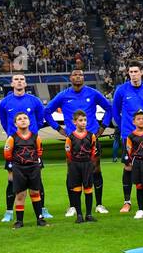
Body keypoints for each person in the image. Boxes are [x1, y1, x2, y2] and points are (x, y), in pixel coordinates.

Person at [48, 69, 113, 216]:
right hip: (73, 141)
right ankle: (72, 206)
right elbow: (47, 111)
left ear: (84, 78)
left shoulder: (93, 93)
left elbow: (109, 108)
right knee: (72, 172)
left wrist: (103, 126)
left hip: (91, 139)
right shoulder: (63, 95)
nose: (78, 77)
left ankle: (99, 204)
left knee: (96, 170)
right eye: (75, 75)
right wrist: (58, 129)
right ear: (70, 78)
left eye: (81, 75)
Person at [0, 74, 50, 221]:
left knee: (37, 178)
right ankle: (9, 212)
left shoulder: (34, 101)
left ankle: (43, 210)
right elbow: (3, 120)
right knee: (11, 179)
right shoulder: (4, 102)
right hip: (15, 145)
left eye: (22, 79)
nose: (19, 82)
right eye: (16, 80)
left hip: (31, 145)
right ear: (12, 83)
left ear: (25, 83)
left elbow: (40, 119)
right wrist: (11, 134)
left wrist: (32, 132)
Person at [112, 63, 143, 213]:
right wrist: (124, 127)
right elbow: (115, 111)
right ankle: (127, 201)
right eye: (131, 71)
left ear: (141, 73)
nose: (133, 74)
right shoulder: (121, 90)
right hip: (128, 136)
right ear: (128, 73)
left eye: (136, 71)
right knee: (128, 167)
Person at [4, 111, 47, 227]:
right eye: (19, 119)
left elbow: (39, 152)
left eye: (25, 118)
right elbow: (7, 154)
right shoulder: (12, 139)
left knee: (35, 192)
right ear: (15, 123)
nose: (23, 120)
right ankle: (19, 221)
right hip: (19, 169)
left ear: (29, 121)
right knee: (20, 195)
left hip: (33, 168)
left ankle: (40, 219)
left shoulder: (36, 137)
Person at [64, 110, 98, 223]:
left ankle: (88, 214)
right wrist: (75, 162)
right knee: (76, 189)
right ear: (74, 122)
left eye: (85, 120)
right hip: (75, 165)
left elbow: (93, 150)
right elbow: (68, 152)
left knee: (88, 189)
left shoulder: (91, 136)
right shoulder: (71, 137)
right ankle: (79, 215)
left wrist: (89, 161)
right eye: (80, 120)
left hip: (87, 164)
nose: (83, 122)